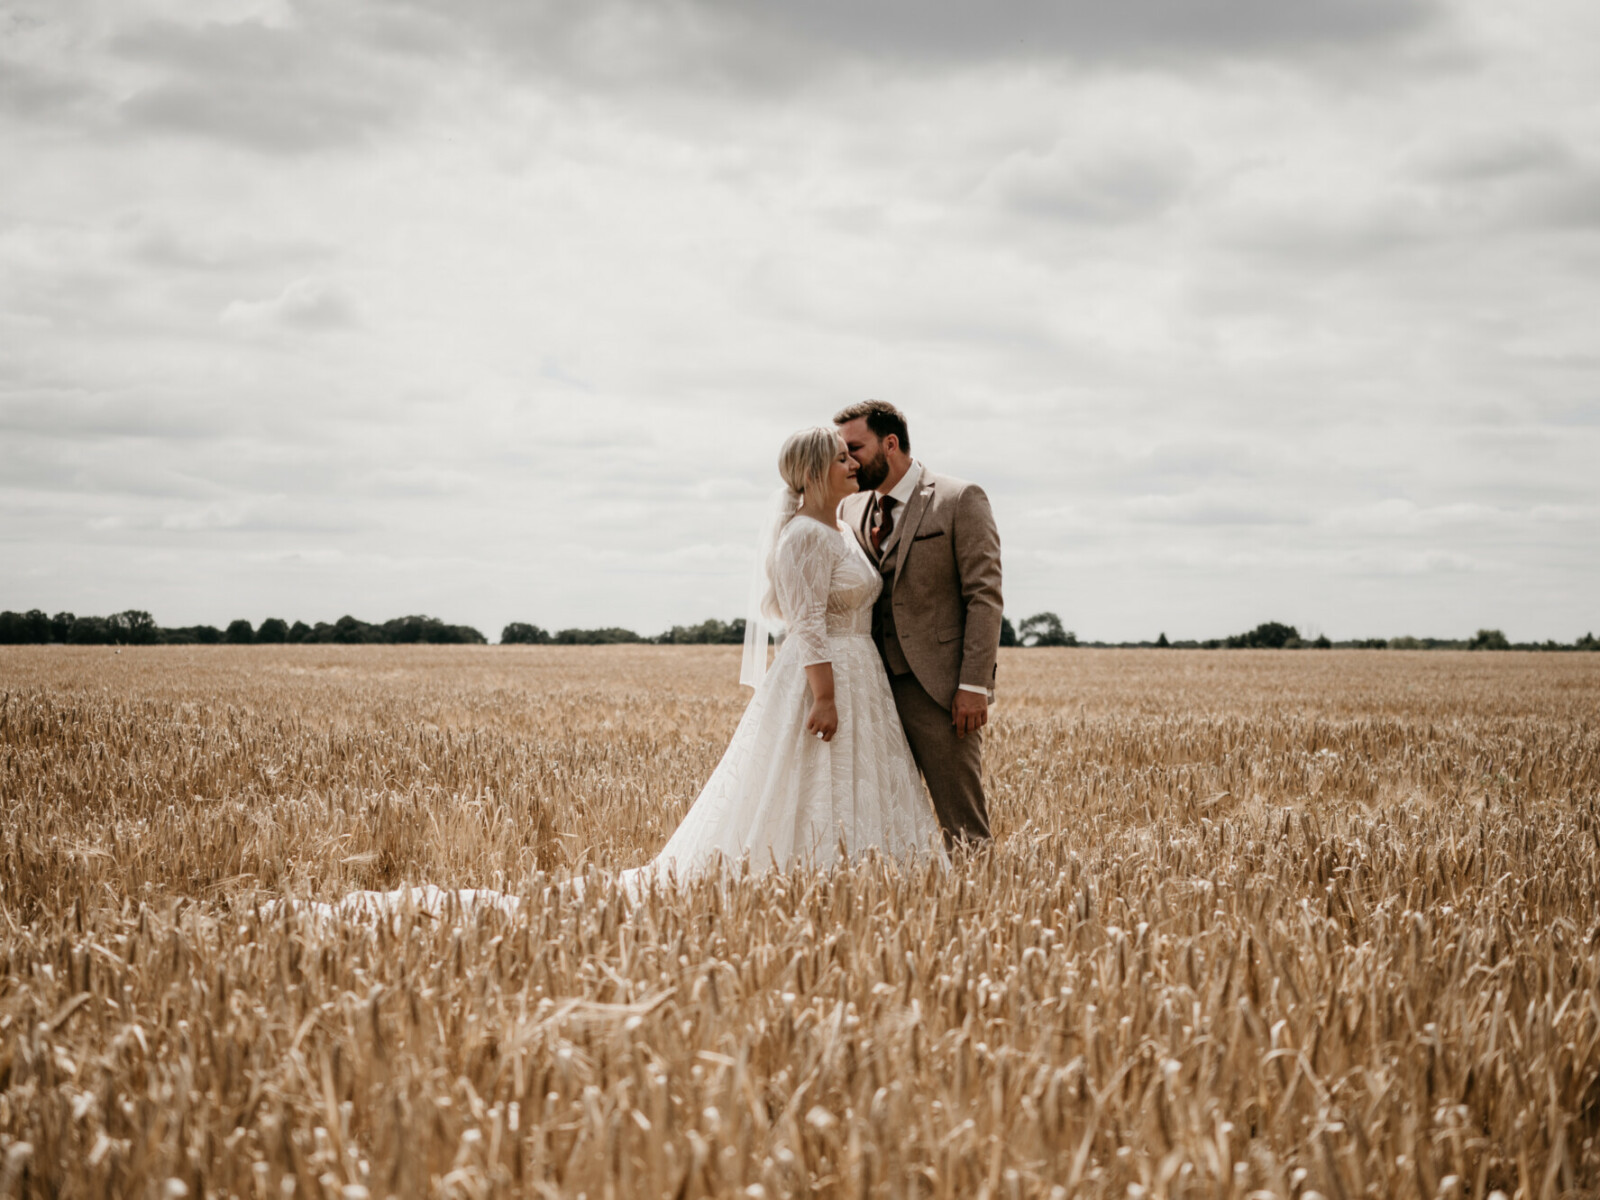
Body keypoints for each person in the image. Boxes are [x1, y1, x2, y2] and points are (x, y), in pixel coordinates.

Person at [620, 424, 945, 892]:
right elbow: (808, 623)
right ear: (813, 473)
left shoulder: (839, 529)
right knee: (808, 781)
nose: (853, 464)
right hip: (824, 677)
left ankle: (868, 882)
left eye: (850, 457)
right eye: (840, 459)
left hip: (862, 674)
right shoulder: (804, 537)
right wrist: (825, 697)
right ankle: (800, 880)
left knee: (862, 783)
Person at [834, 401, 1003, 847]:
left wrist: (974, 685)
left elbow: (983, 597)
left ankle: (981, 906)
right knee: (875, 817)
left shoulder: (959, 498)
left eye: (855, 448)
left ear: (890, 444)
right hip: (867, 690)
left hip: (939, 690)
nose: (848, 461)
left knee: (962, 825)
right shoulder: (849, 509)